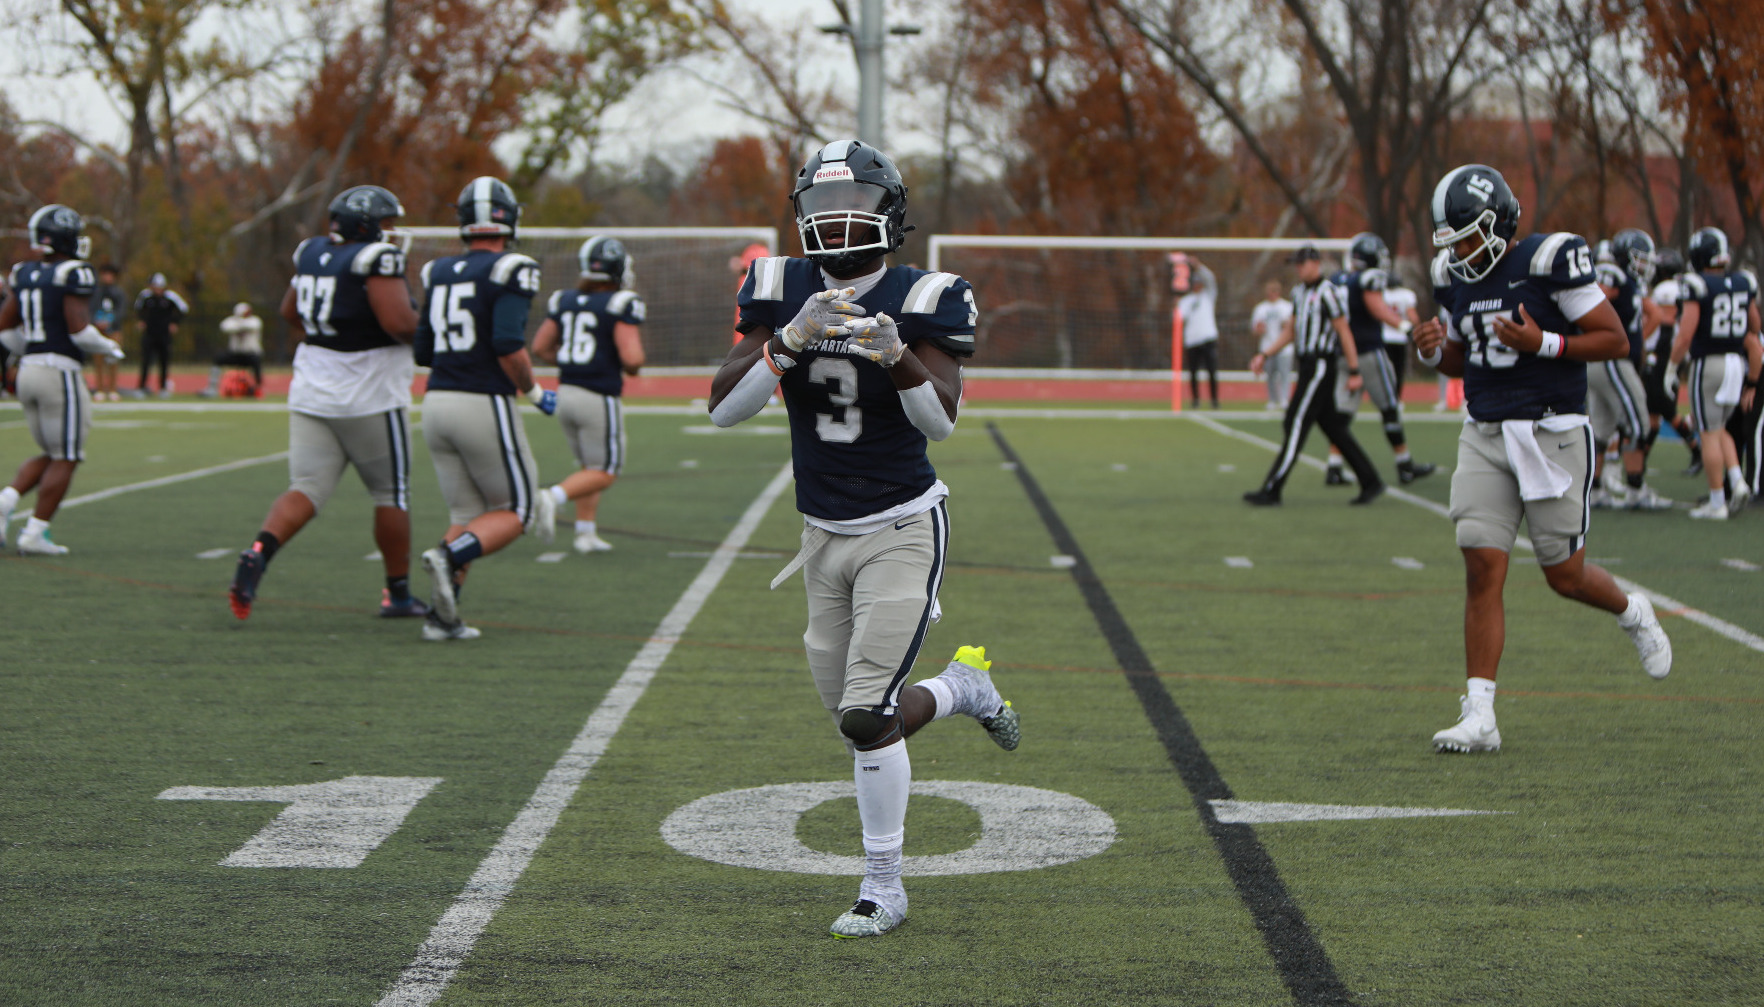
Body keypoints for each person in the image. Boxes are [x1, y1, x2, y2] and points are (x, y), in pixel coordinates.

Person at [707, 139, 1019, 939]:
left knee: (863, 715)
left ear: (891, 215)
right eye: (821, 207)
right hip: (820, 532)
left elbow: (941, 421)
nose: (836, 223)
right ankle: (961, 690)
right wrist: (786, 341)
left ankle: (883, 886)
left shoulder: (931, 295)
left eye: (853, 207)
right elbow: (724, 409)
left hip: (902, 524)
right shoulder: (779, 285)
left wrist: (897, 357)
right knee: (864, 718)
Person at [1414, 164, 1671, 754]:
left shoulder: (1548, 260)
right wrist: (1432, 353)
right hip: (1484, 432)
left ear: (1498, 224)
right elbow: (1464, 357)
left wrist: (1544, 343)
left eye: (1468, 238)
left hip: (1551, 430)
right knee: (1482, 565)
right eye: (1452, 243)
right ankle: (1480, 713)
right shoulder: (1451, 277)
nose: (1459, 253)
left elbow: (1613, 339)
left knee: (1564, 574)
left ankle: (1633, 611)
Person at [228, 185, 428, 621]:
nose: (393, 232)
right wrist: (433, 334)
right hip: (369, 392)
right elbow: (398, 323)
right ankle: (397, 594)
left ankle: (259, 551)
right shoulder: (375, 257)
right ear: (367, 226)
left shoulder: (312, 251)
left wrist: (337, 326)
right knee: (390, 493)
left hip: (313, 389)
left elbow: (290, 312)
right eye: (387, 224)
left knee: (306, 488)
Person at [413, 176, 558, 642]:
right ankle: (448, 557)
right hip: (481, 402)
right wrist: (534, 392)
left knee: (466, 513)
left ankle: (441, 618)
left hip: (435, 401)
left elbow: (422, 350)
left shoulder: (436, 270)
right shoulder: (512, 267)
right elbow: (508, 345)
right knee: (519, 510)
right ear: (508, 219)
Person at [0, 205, 122, 554]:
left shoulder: (23, 272)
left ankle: (6, 500)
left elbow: (5, 328)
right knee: (67, 456)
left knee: (53, 453)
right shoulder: (74, 271)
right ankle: (35, 532)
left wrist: (31, 351)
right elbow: (80, 331)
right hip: (59, 373)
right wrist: (111, 348)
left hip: (28, 372)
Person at [1243, 244, 1384, 505]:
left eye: (1302, 263)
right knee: (1332, 426)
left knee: (1295, 421)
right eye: (1296, 264)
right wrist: (1265, 354)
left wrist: (1354, 370)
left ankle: (1272, 488)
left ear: (1316, 263)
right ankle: (1370, 480)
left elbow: (1343, 331)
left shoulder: (1328, 292)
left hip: (1321, 365)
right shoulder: (1298, 293)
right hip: (1306, 365)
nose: (1298, 268)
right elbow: (1291, 331)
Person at [531, 236, 647, 554]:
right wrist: (608, 362)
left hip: (566, 393)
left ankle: (585, 533)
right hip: (597, 396)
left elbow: (540, 347)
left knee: (588, 467)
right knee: (604, 471)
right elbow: (633, 360)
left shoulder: (564, 299)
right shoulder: (619, 302)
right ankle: (550, 497)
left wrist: (574, 362)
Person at [1666, 227, 1761, 520]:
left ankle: (1717, 501)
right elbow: (1755, 326)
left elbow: (1685, 335)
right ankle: (1737, 480)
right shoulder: (1743, 281)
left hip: (1709, 363)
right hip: (1735, 364)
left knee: (1708, 433)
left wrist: (1671, 368)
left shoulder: (1697, 284)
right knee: (1719, 429)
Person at [1331, 232, 1435, 485]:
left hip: (1343, 353)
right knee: (1390, 408)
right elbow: (1376, 307)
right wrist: (1404, 327)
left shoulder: (1338, 279)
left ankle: (1334, 466)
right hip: (1368, 351)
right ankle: (1404, 464)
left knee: (1342, 413)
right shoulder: (1368, 278)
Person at [1588, 229, 1671, 510]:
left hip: (1606, 361)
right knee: (1638, 423)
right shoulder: (1613, 274)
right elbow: (1593, 301)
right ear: (1626, 257)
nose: (1645, 265)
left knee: (1601, 428)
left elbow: (1652, 315)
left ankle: (1594, 490)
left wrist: (1635, 341)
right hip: (1611, 360)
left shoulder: (1630, 283)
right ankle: (1636, 490)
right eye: (1640, 258)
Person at [1641, 247, 1700, 473]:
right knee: (1653, 411)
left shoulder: (1667, 289)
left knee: (1662, 405)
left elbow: (1666, 326)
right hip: (1670, 352)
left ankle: (1696, 450)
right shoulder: (1682, 286)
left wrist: (1655, 355)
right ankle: (1640, 462)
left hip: (1664, 353)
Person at [1173, 253, 1220, 408]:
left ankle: (1214, 400)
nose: (1197, 285)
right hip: (1192, 340)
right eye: (1195, 283)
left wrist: (1198, 266)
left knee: (1212, 371)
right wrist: (1175, 306)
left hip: (1208, 338)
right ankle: (1195, 400)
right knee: (1193, 372)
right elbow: (1177, 318)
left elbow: (1211, 279)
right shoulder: (1186, 301)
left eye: (1199, 282)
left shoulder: (1208, 296)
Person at [133, 273, 186, 398]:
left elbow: (183, 309)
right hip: (149, 333)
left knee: (164, 361)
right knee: (146, 361)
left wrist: (175, 322)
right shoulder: (145, 296)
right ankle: (142, 387)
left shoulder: (170, 297)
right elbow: (138, 309)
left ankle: (163, 387)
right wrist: (141, 321)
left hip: (164, 334)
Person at [202, 302, 265, 396]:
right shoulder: (232, 321)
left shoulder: (255, 320)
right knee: (218, 358)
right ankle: (212, 388)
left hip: (250, 354)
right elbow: (224, 327)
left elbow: (253, 325)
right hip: (235, 354)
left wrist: (238, 324)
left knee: (256, 361)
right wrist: (239, 324)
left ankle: (258, 389)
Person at [1250, 280, 1293, 409]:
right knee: (1270, 375)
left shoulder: (1287, 307)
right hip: (1267, 348)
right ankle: (1272, 400)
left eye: (1274, 291)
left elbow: (1291, 329)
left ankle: (1284, 399)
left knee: (1284, 374)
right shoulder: (1261, 308)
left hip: (1284, 349)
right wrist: (1259, 329)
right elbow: (1255, 329)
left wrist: (1285, 325)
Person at [91, 263, 126, 402]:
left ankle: (112, 389)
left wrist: (110, 322)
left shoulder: (119, 292)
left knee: (113, 360)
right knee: (98, 361)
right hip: (98, 331)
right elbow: (90, 309)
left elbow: (121, 311)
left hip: (114, 330)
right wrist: (96, 322)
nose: (107, 277)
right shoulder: (96, 292)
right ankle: (100, 389)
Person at [1382, 273, 1420, 398]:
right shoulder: (1406, 295)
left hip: (1384, 336)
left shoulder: (1382, 294)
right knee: (1399, 370)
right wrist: (1416, 331)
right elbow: (1413, 317)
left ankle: (1388, 397)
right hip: (1401, 337)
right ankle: (1396, 398)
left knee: (1386, 371)